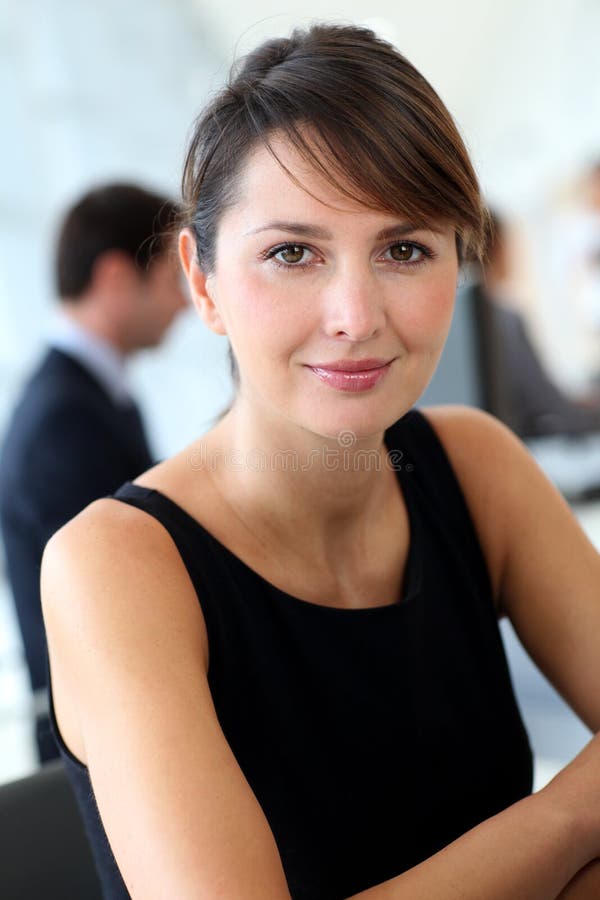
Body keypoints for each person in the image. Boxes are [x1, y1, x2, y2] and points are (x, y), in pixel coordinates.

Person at [40, 24, 600, 899]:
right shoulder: (115, 565)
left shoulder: (476, 467)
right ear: (202, 280)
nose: (354, 314)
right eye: (292, 253)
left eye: (404, 249)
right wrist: (569, 821)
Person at [0, 182, 187, 761]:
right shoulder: (63, 419)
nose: (185, 301)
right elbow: (117, 604)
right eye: (171, 278)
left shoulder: (96, 396)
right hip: (104, 751)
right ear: (114, 277)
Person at [467, 211, 600, 438]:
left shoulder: (453, 324)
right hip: (520, 446)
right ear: (498, 248)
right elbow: (551, 407)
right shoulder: (504, 319)